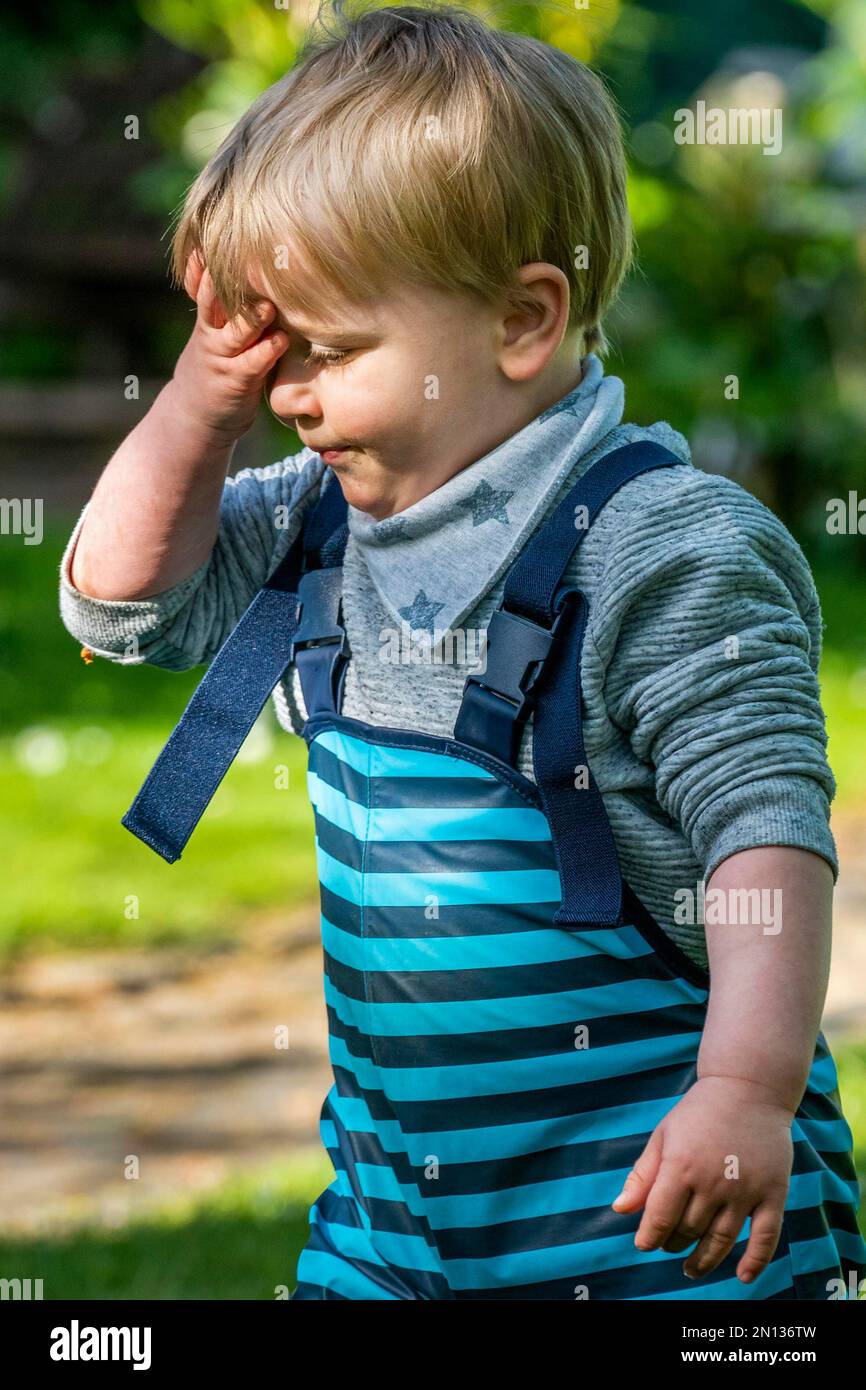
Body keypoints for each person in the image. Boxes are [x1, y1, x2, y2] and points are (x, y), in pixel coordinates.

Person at [59, 2, 866, 1300]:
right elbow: (116, 604)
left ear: (520, 321)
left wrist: (743, 1088)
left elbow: (762, 833)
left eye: (324, 350)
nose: (286, 391)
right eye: (266, 350)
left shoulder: (659, 548)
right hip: (395, 1225)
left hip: (658, 1219)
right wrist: (194, 400)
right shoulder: (314, 521)